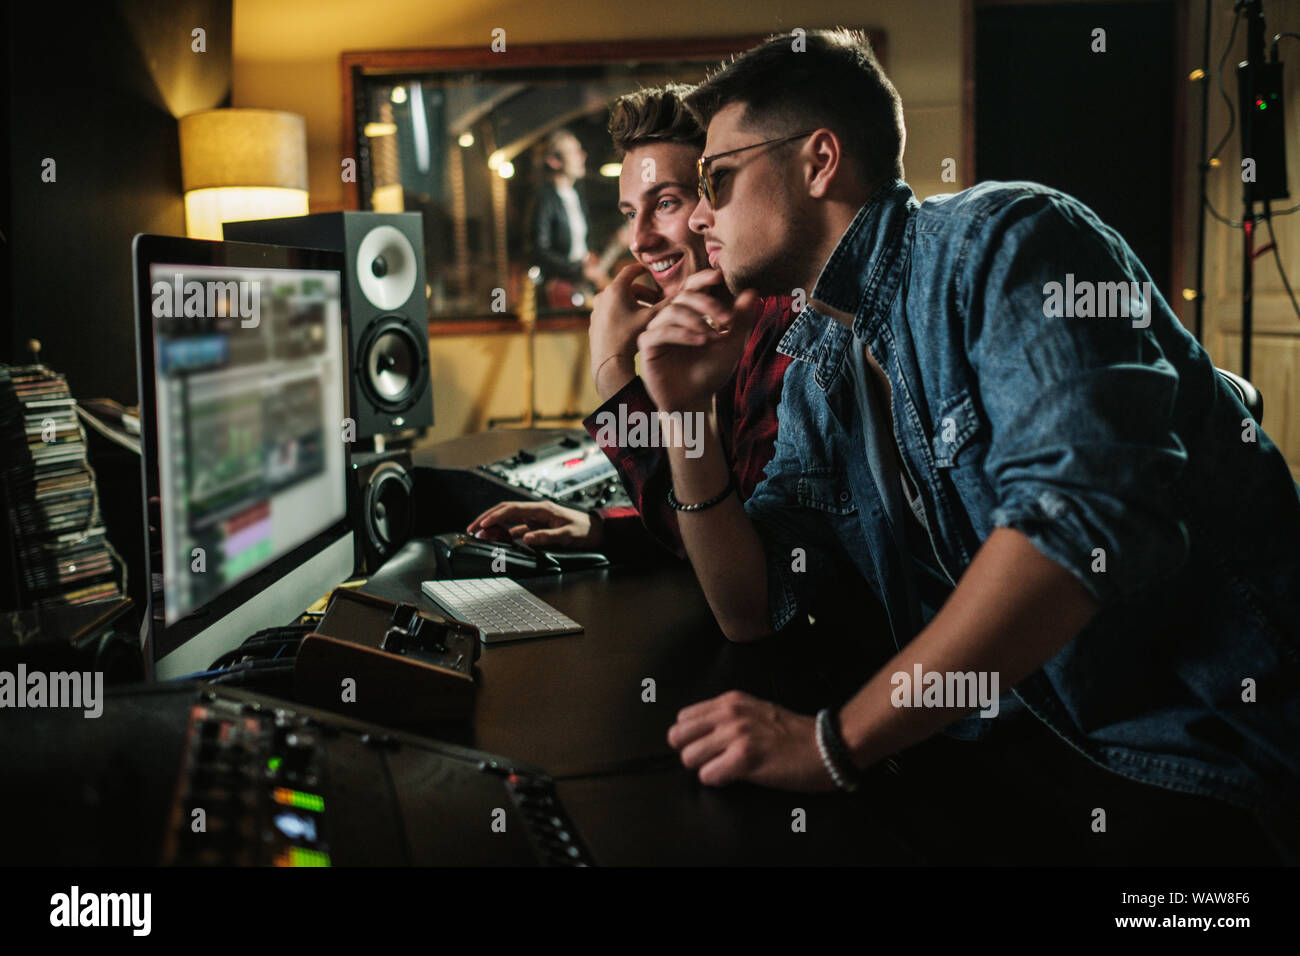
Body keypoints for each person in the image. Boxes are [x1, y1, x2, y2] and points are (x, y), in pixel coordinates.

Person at [637, 28, 1300, 860]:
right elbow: (752, 606)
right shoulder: (819, 364)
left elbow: (1081, 525)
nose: (697, 215)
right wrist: (684, 415)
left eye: (716, 178)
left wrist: (833, 744)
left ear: (818, 161)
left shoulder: (1004, 241)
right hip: (1017, 748)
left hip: (1201, 762)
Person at [470, 86, 798, 564]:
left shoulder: (787, 330)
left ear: (719, 197)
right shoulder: (729, 325)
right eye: (629, 214)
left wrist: (612, 371)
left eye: (665, 203)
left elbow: (736, 565)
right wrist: (603, 527)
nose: (639, 241)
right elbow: (721, 518)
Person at [526, 129, 609, 294]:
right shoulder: (545, 199)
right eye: (573, 152)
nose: (582, 156)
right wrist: (578, 269)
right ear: (554, 161)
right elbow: (539, 252)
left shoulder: (576, 194)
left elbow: (583, 243)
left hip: (580, 285)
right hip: (558, 287)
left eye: (580, 150)